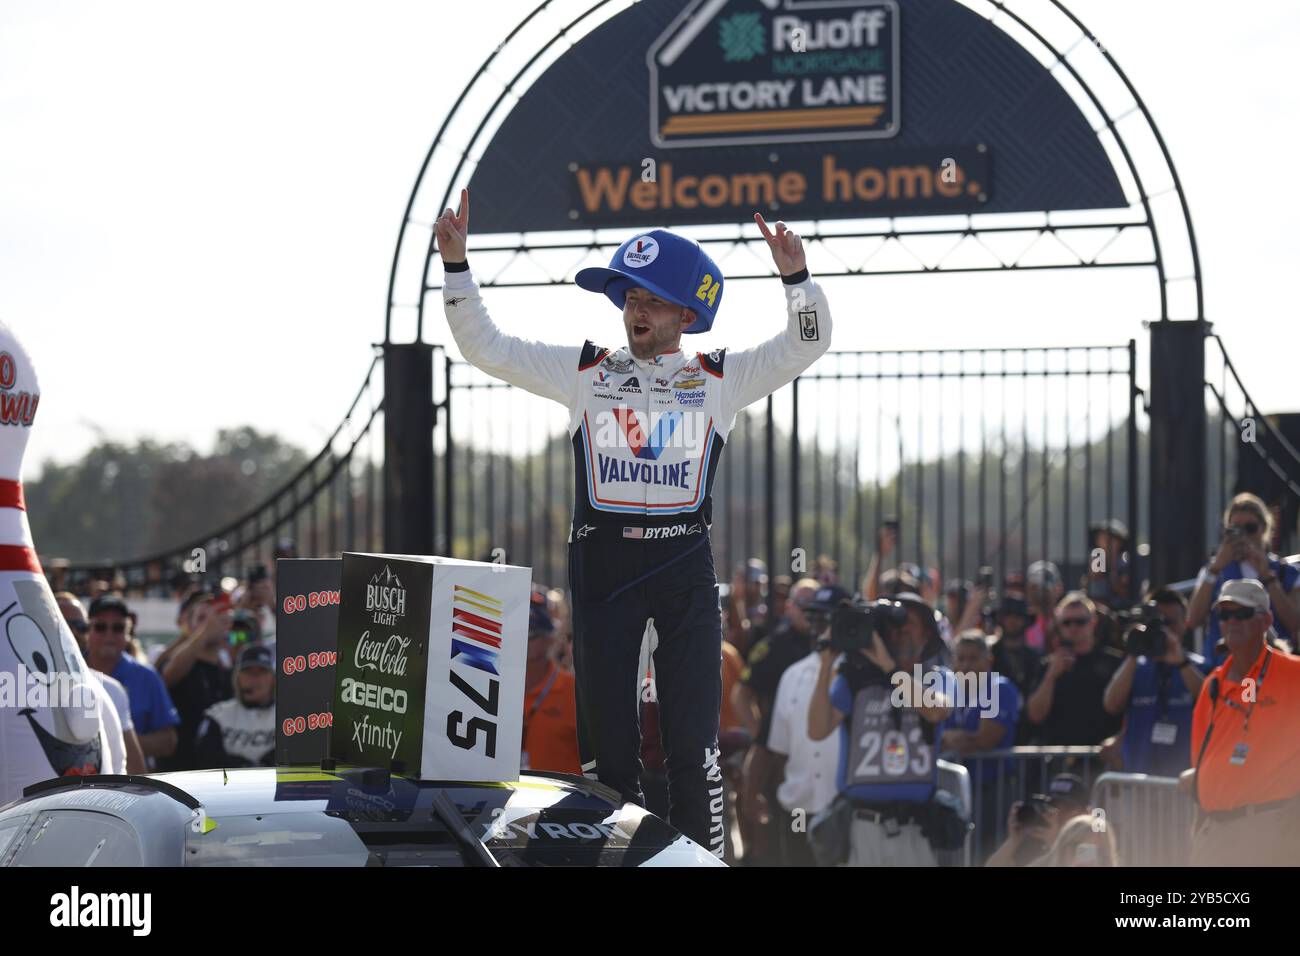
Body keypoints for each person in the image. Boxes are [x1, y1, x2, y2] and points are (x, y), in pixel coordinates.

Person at [435, 187, 832, 858]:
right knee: (608, 761)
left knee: (693, 755)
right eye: (627, 297)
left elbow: (805, 346)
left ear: (686, 312)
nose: (634, 311)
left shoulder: (717, 378)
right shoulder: (587, 371)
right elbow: (486, 347)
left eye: (649, 299)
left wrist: (797, 279)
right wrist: (457, 267)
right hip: (603, 573)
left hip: (683, 570)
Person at [808, 595, 954, 867]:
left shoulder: (938, 677)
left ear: (927, 634)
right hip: (863, 825)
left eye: (908, 623)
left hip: (916, 827)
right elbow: (817, 731)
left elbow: (936, 711)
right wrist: (827, 664)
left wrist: (890, 669)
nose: (900, 631)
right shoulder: (855, 677)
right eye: (892, 625)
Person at [1185, 579, 1300, 866]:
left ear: (1266, 621)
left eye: (1242, 613)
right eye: (1225, 614)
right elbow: (1202, 764)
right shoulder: (1213, 684)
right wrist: (1199, 830)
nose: (1232, 621)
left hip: (1271, 829)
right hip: (1214, 833)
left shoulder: (1294, 674)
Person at [739, 581, 841, 866]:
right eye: (815, 616)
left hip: (847, 810)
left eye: (830, 618)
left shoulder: (865, 675)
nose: (820, 626)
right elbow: (770, 742)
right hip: (798, 806)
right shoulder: (791, 673)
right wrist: (751, 790)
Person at [1187, 492, 1300, 665]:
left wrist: (1267, 576)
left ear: (1265, 529)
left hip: (1272, 669)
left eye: (1250, 528)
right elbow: (1193, 619)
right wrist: (1216, 568)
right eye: (1235, 530)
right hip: (1225, 669)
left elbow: (1294, 623)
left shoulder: (1286, 572)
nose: (1243, 536)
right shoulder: (1214, 571)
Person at [1101, 588, 1205, 777]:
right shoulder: (1136, 667)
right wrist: (1135, 651)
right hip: (1139, 782)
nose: (1163, 630)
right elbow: (1111, 704)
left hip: (1181, 784)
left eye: (1170, 623)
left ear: (1184, 623)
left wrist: (1181, 662)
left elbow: (1209, 701)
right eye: (1157, 623)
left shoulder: (1198, 666)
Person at [939, 631, 1020, 863]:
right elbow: (936, 738)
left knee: (986, 854)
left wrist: (952, 738)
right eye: (960, 658)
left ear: (988, 660)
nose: (966, 665)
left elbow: (986, 739)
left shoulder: (999, 688)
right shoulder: (949, 690)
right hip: (957, 791)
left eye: (973, 658)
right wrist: (961, 738)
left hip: (992, 789)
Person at [83, 594, 180, 765]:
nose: (109, 635)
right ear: (87, 630)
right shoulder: (70, 672)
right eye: (100, 627)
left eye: (118, 628)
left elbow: (169, 741)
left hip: (131, 784)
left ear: (129, 631)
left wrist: (118, 742)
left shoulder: (147, 677)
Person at [57, 591, 145, 774]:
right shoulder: (14, 689)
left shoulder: (111, 690)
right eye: (62, 625)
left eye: (80, 626)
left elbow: (135, 771)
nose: (72, 632)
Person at [1026, 592, 1123, 746]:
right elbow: (1035, 715)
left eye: (1080, 622)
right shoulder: (1047, 665)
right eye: (1067, 622)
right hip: (1058, 761)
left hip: (1101, 759)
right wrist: (1051, 676)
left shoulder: (1113, 662)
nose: (1073, 627)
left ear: (1093, 622)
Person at [159, 591, 235, 771]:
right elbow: (166, 676)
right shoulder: (178, 664)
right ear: (190, 627)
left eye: (216, 617)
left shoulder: (229, 673)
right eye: (202, 618)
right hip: (181, 777)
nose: (211, 623)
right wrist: (204, 632)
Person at [520, 590, 580, 775]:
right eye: (521, 635)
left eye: (532, 636)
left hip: (562, 802)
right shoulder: (498, 689)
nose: (525, 643)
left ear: (549, 638)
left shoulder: (573, 691)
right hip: (505, 800)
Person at [193, 643, 276, 768]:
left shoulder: (287, 717)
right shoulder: (218, 715)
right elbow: (205, 759)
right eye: (248, 672)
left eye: (261, 672)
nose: (254, 679)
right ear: (237, 678)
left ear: (273, 678)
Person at [985, 773, 1092, 866]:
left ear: (1086, 813)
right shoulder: (1036, 839)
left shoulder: (1092, 842)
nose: (1059, 814)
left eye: (1068, 808)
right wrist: (1013, 841)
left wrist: (1054, 844)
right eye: (1054, 807)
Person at [989, 594, 1040, 744]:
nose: (1012, 620)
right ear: (1000, 619)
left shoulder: (1035, 657)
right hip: (995, 728)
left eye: (1018, 616)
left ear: (1025, 620)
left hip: (1027, 732)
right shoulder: (989, 654)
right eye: (1008, 615)